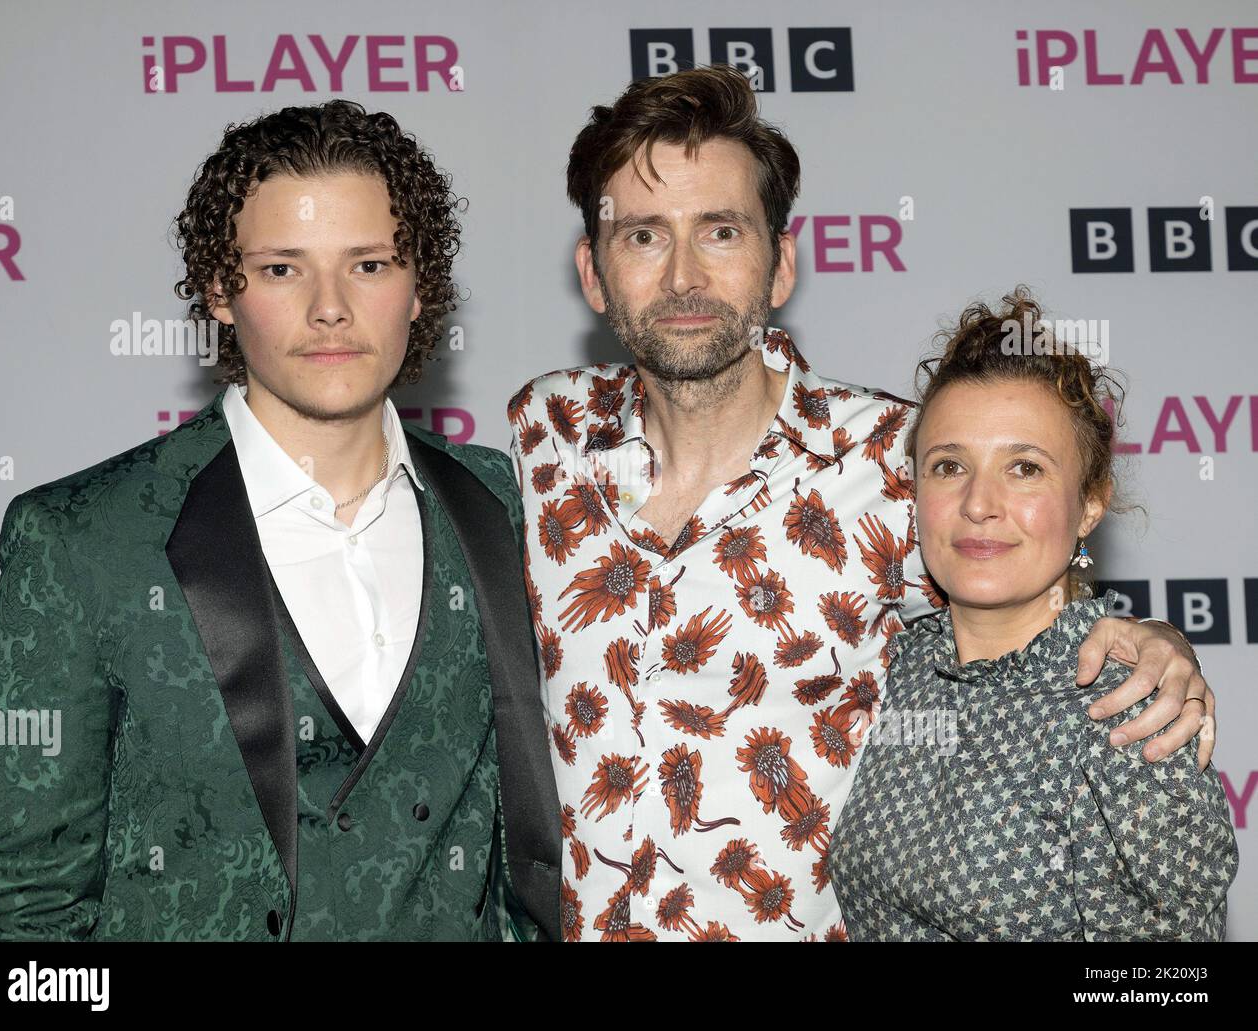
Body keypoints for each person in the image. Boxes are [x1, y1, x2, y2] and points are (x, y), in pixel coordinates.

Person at [508, 65, 1217, 942]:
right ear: (593, 270)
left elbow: (1032, 588)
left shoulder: (900, 460)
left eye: (721, 231)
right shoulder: (542, 436)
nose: (685, 275)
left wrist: (1154, 641)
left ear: (781, 264)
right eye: (645, 236)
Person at [0, 100, 560, 941]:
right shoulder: (81, 540)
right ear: (219, 289)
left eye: (370, 264)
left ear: (420, 285)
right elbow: (19, 921)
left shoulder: (508, 507)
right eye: (282, 268)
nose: (329, 307)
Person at [831, 288, 1238, 940]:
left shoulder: (1129, 703)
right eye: (949, 465)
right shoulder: (889, 666)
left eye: (1024, 467)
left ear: (1089, 506)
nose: (979, 502)